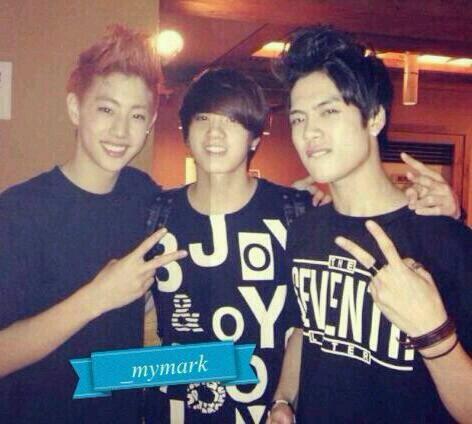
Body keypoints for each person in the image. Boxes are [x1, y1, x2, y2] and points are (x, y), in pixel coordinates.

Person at [143, 68, 461, 423]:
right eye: (203, 118)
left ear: (255, 137)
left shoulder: (296, 212)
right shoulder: (154, 212)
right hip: (174, 411)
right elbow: (132, 331)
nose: (215, 133)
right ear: (185, 131)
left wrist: (446, 220)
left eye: (232, 120)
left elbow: (304, 327)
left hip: (268, 411)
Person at [268, 26, 472, 423]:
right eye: (298, 118)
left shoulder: (446, 240)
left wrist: (434, 333)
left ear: (374, 117)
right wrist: (282, 401)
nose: (309, 132)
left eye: (329, 111)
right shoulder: (305, 231)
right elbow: (307, 331)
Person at [0, 25, 186, 423]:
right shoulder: (18, 210)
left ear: (151, 122)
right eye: (106, 109)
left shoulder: (144, 195)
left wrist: (290, 201)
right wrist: (98, 297)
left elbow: (208, 215)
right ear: (75, 109)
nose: (121, 131)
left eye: (137, 115)